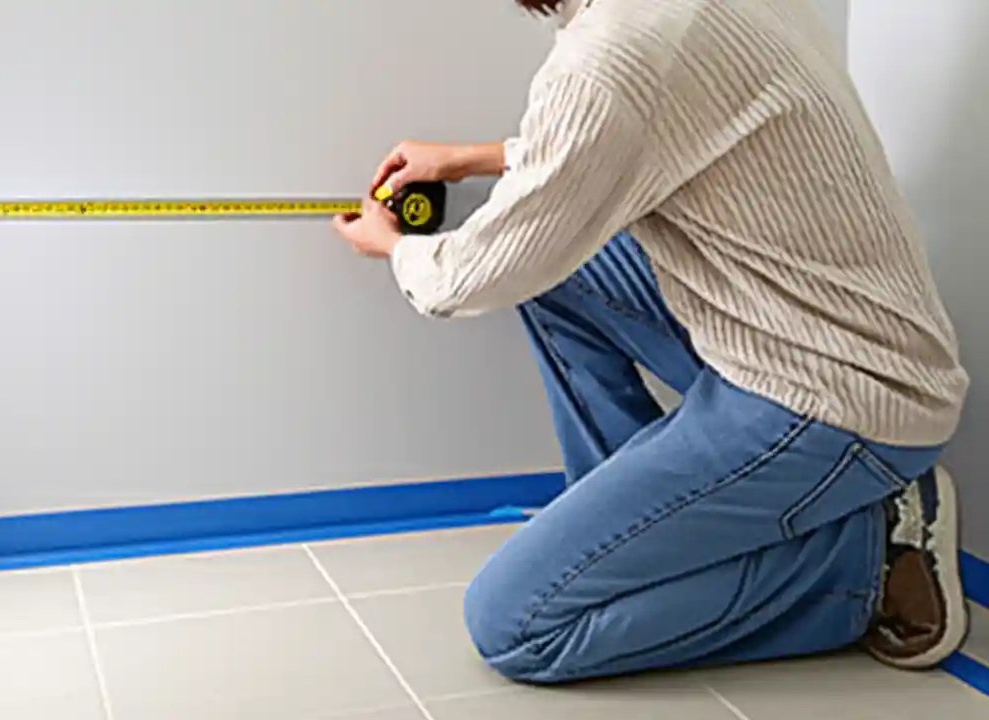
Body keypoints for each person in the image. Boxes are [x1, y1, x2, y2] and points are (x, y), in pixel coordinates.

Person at [331, 0, 970, 684]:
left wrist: (392, 245)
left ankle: (867, 558)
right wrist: (477, 158)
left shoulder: (612, 54)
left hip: (834, 400)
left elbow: (470, 276)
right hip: (824, 339)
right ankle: (646, 536)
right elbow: (650, 127)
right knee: (561, 270)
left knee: (515, 625)